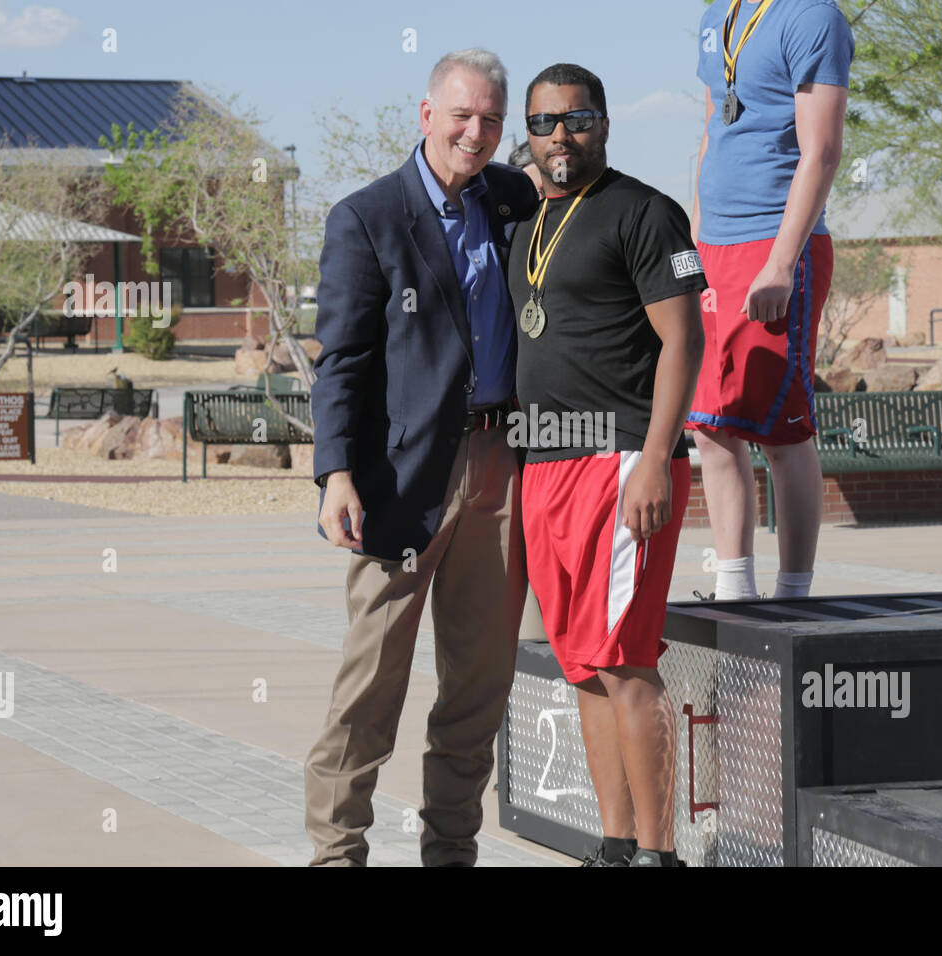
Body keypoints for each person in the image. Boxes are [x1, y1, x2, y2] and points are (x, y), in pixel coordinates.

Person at [304, 49, 539, 866]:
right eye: (462, 115)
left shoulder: (510, 197)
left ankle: (450, 852)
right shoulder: (366, 217)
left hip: (499, 468)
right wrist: (335, 473)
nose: (475, 133)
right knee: (370, 688)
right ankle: (337, 854)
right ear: (426, 114)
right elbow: (343, 358)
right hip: (401, 481)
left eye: (491, 121)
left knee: (478, 685)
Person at [508, 63, 707, 867]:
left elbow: (684, 342)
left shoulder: (645, 212)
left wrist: (657, 456)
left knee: (625, 665)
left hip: (622, 460)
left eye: (577, 118)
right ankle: (615, 848)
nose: (561, 135)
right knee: (582, 668)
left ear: (605, 123)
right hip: (545, 467)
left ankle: (662, 855)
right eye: (545, 121)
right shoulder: (526, 217)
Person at [687, 0, 853, 601]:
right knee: (710, 423)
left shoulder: (813, 17)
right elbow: (712, 131)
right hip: (716, 247)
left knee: (781, 430)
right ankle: (734, 590)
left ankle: (792, 597)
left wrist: (782, 261)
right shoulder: (717, 17)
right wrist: (694, 250)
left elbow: (823, 150)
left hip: (777, 244)